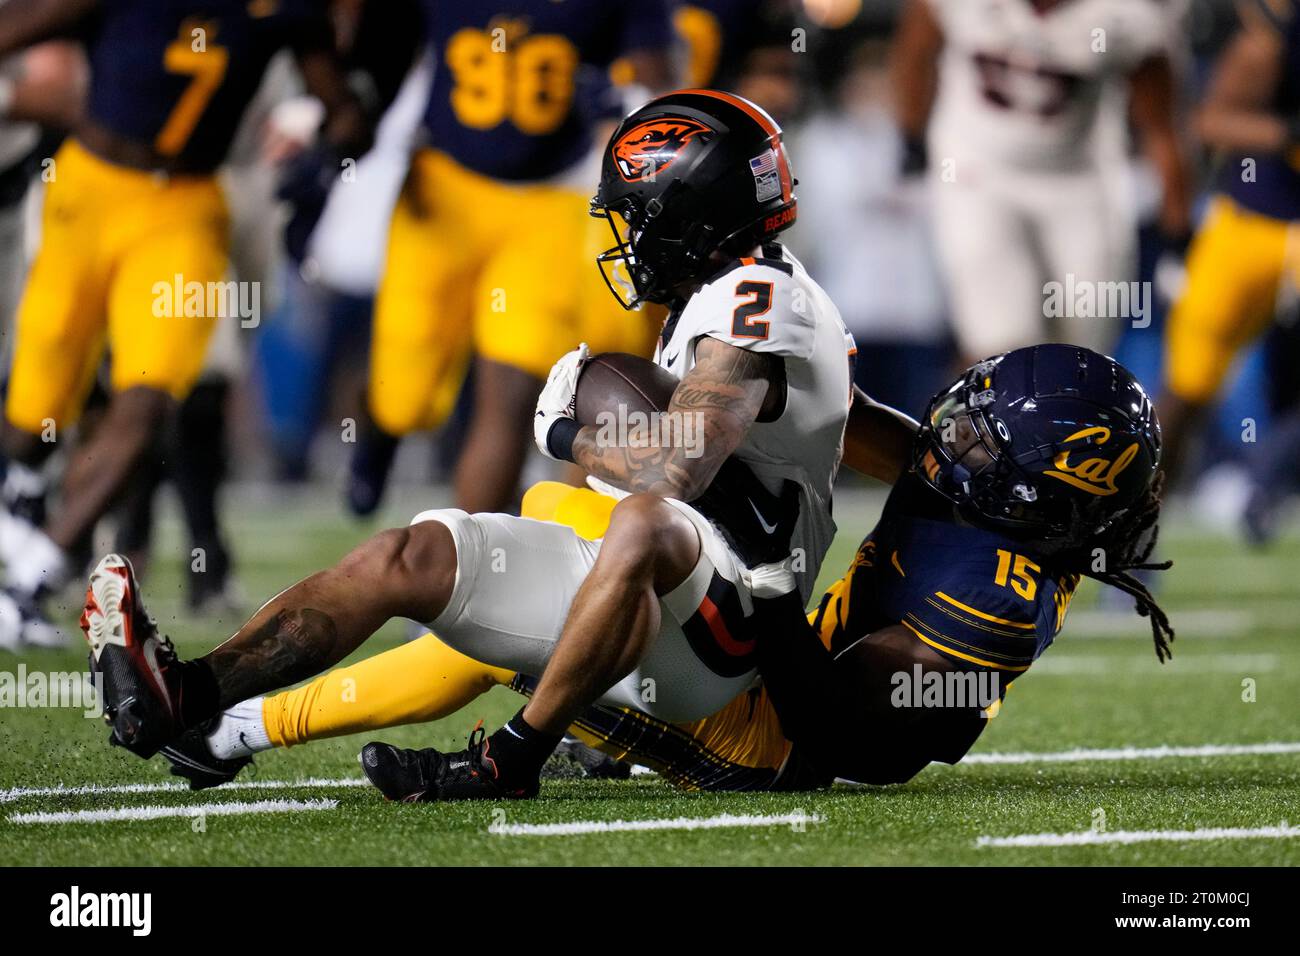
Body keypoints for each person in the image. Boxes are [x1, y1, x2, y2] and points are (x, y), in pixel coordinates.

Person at [81, 90, 861, 802]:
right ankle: (186, 697)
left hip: (728, 637)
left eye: (637, 213)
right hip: (677, 601)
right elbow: (866, 430)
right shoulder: (752, 293)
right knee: (409, 556)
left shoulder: (758, 297)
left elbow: (673, 470)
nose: (628, 235)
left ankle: (512, 759)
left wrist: (563, 431)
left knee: (634, 520)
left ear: (689, 213)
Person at [153, 347, 1174, 795]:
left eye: (982, 442)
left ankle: (236, 726)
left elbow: (840, 733)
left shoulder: (993, 603)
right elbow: (852, 425)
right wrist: (755, 381)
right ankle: (581, 730)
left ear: (1044, 496)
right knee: (560, 521)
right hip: (773, 665)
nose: (952, 437)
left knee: (552, 593)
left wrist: (761, 570)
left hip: (774, 739)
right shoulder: (994, 497)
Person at [0, 0, 370, 646]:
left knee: (152, 399)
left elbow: (346, 110)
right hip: (88, 191)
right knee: (36, 405)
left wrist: (325, 146)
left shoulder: (278, 10)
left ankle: (29, 580)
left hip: (185, 211)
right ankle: (24, 497)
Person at [344, 0, 675, 518]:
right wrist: (335, 125)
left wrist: (627, 104)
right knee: (404, 395)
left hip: (551, 200)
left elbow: (658, 81)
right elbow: (379, 49)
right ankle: (383, 429)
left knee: (513, 389)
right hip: (444, 186)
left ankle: (477, 553)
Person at [891, 0, 1191, 363]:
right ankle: (982, 400)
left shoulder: (1125, 15)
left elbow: (1161, 127)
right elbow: (916, 53)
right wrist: (911, 136)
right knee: (1001, 345)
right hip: (978, 175)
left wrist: (1177, 234)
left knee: (1083, 352)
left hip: (1082, 185)